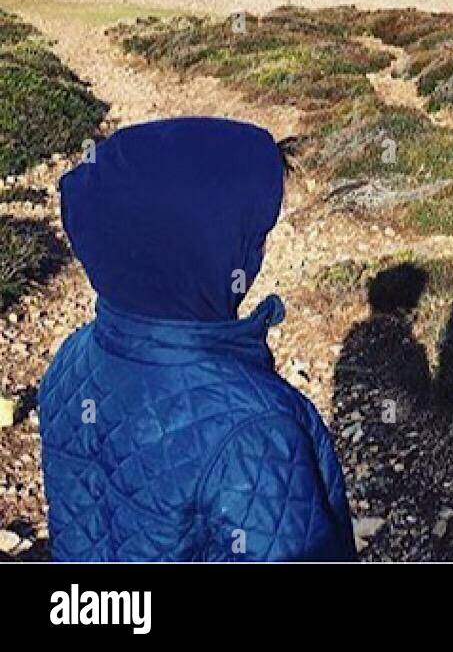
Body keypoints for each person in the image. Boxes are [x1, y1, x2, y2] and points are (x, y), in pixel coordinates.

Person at [38, 117, 356, 562]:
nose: (258, 252)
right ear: (202, 253)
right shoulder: (254, 432)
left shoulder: (72, 360)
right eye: (251, 237)